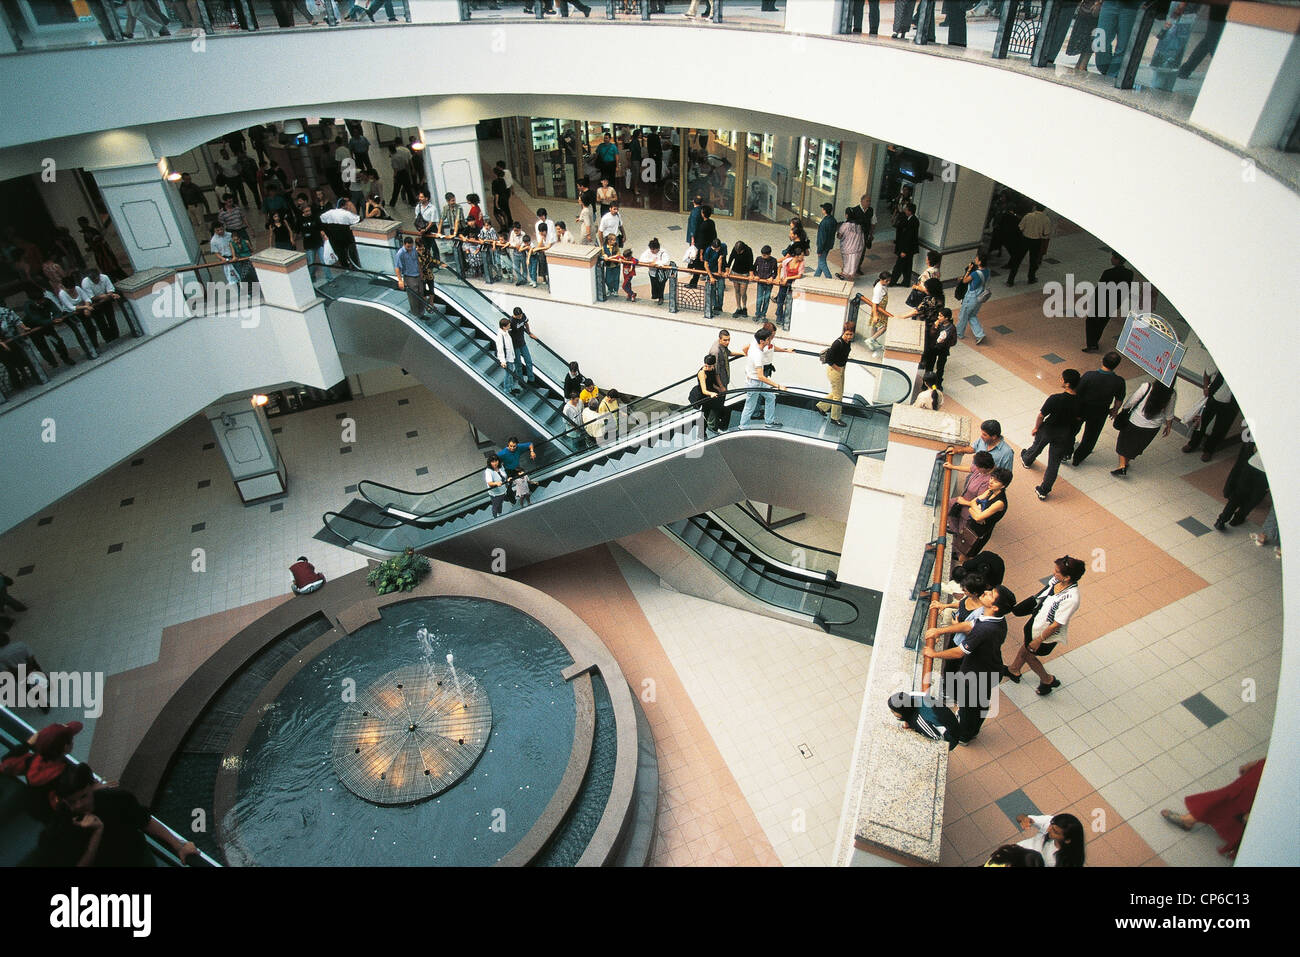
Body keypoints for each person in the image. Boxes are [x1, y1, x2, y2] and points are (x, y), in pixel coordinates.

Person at [38, 762, 198, 867]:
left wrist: (178, 845)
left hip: (136, 859)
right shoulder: (60, 826)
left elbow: (145, 821)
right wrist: (97, 833)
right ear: (64, 801)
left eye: (83, 797)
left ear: (91, 788)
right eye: (72, 802)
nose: (79, 805)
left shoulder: (116, 799)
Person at [922, 584, 1016, 744]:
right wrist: (940, 631)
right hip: (988, 669)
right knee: (976, 705)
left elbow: (959, 652)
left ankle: (964, 735)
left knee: (971, 707)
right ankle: (969, 725)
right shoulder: (993, 618)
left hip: (978, 677)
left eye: (990, 594)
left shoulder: (986, 629)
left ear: (994, 606)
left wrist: (934, 654)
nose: (985, 592)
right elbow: (969, 625)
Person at [1004, 555, 1084, 695]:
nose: (1054, 573)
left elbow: (1056, 625)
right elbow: (1043, 594)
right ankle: (1014, 669)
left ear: (1067, 578)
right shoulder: (1057, 581)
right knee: (1026, 646)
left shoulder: (1072, 599)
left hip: (1044, 635)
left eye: (1057, 572)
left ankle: (1047, 680)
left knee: (1030, 655)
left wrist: (1038, 640)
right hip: (1036, 624)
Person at [1162, 759, 1265, 859]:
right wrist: (1255, 764)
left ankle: (1190, 819)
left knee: (1234, 802)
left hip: (1269, 788)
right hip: (1264, 773)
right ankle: (1191, 819)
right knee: (1231, 796)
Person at [1020, 368, 1081, 501]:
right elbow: (1078, 420)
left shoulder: (1055, 398)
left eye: (1062, 378)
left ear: (1067, 383)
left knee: (1037, 446)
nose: (1061, 380)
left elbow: (1041, 415)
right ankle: (1043, 490)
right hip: (1064, 433)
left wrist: (1036, 427)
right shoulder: (1080, 402)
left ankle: (1027, 460)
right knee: (1054, 463)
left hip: (1048, 429)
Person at [1071, 351, 1126, 466]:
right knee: (1091, 437)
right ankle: (1078, 459)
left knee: (1072, 430)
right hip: (1100, 412)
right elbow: (1119, 399)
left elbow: (1077, 392)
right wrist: (1114, 410)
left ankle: (1066, 452)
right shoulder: (1119, 381)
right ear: (1117, 365)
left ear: (1102, 360)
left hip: (1081, 409)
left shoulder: (1089, 375)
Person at [1112, 379, 1176, 476]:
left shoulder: (1147, 386)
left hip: (1135, 421)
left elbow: (1131, 401)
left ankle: (1122, 466)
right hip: (1152, 427)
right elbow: (1169, 413)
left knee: (1123, 443)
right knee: (1136, 446)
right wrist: (1168, 426)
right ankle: (1125, 463)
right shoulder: (1171, 394)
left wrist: (1123, 410)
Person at [954, 467, 1012, 560]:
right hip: (973, 526)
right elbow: (973, 503)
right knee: (963, 548)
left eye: (996, 481)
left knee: (966, 555)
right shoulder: (990, 491)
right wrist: (977, 512)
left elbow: (977, 516)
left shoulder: (1000, 503)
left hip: (980, 533)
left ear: (1003, 486)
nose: (991, 481)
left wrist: (975, 511)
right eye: (992, 478)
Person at [1181, 366, 1238, 463]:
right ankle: (1193, 444)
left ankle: (1208, 450)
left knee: (1219, 429)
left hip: (1231, 405)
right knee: (1202, 422)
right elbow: (1207, 372)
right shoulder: (1223, 362)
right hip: (1214, 398)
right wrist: (1205, 387)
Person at [1214, 431, 1269, 531]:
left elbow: (1255, 446)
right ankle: (1238, 518)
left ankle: (1221, 520)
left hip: (1252, 463)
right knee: (1254, 498)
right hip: (1267, 473)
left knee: (1238, 494)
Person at [1083, 252, 1134, 352]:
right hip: (1113, 303)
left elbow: (1100, 289)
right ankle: (1095, 342)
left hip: (1101, 302)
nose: (1111, 259)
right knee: (1102, 323)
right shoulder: (1129, 273)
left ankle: (1091, 344)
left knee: (1091, 322)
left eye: (1113, 258)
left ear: (1117, 260)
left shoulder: (1108, 273)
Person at [740, 327, 786, 429]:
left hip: (755, 380)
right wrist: (778, 386)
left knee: (771, 397)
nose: (770, 341)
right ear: (762, 341)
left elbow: (744, 349)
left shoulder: (753, 344)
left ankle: (769, 422)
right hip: (754, 383)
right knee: (749, 406)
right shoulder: (758, 355)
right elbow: (760, 376)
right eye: (768, 339)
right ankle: (743, 427)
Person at [886, 690, 960, 751]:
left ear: (903, 712)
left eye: (894, 711)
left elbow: (936, 740)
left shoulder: (922, 721)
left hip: (951, 737)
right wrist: (907, 721)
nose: (891, 712)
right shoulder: (912, 696)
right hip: (948, 717)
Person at [815, 322, 855, 427]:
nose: (849, 337)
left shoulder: (847, 342)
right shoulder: (838, 343)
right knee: (838, 396)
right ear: (843, 332)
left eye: (851, 334)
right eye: (847, 334)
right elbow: (828, 359)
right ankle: (835, 418)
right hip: (835, 370)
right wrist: (838, 368)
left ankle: (821, 406)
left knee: (837, 393)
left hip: (841, 368)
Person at [20, 294, 74, 368]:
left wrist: (57, 318)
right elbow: (36, 319)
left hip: (47, 325)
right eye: (40, 300)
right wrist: (52, 321)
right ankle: (52, 362)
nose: (43, 301)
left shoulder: (47, 301)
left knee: (57, 341)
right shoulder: (28, 306)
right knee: (43, 347)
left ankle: (65, 358)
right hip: (33, 329)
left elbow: (56, 311)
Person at [1015, 812, 1086, 867]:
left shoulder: (1062, 862)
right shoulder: (1054, 822)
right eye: (1050, 826)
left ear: (1067, 840)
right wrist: (1024, 819)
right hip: (1014, 852)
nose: (1049, 829)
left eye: (1055, 832)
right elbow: (1020, 817)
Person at [1006, 203, 1052, 285]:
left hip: (1025, 240)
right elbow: (1046, 233)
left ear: (1035, 207)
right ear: (1044, 209)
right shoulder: (1046, 219)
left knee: (1017, 260)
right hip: (1036, 241)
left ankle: (1010, 280)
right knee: (1033, 261)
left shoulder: (1028, 216)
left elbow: (1020, 227)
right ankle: (1031, 278)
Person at [955, 250, 990, 344]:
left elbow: (965, 281)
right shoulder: (987, 271)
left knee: (963, 316)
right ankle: (980, 334)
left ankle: (958, 333)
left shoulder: (975, 273)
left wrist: (969, 269)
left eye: (976, 258)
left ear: (980, 261)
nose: (975, 259)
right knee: (972, 315)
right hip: (980, 297)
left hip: (971, 297)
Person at [321, 201, 363, 270]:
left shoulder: (329, 212)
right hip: (346, 236)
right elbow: (358, 219)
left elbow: (321, 218)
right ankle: (354, 267)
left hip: (334, 237)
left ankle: (345, 268)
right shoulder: (346, 213)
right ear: (345, 205)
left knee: (340, 253)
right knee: (351, 252)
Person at [921, 308, 956, 388]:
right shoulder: (937, 324)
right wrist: (935, 327)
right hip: (933, 348)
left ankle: (938, 384)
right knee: (929, 366)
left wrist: (945, 342)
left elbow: (954, 341)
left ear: (946, 318)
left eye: (940, 316)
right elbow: (931, 335)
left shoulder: (952, 328)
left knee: (940, 368)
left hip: (943, 350)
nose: (938, 317)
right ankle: (925, 383)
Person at [393, 235, 426, 318]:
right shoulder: (400, 253)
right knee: (413, 297)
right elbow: (397, 267)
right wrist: (400, 280)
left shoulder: (414, 250)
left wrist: (421, 273)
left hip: (417, 275)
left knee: (421, 294)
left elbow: (417, 262)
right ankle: (416, 315)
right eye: (408, 247)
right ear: (404, 244)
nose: (410, 248)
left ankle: (422, 313)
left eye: (411, 246)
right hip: (409, 277)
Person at [507, 307, 539, 386]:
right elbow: (508, 334)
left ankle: (531, 380)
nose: (520, 317)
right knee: (518, 363)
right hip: (514, 346)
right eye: (519, 316)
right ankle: (521, 381)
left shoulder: (523, 316)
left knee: (529, 361)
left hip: (522, 343)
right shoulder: (511, 322)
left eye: (521, 315)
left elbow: (526, 323)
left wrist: (529, 333)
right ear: (515, 315)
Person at [890, 202, 919, 287]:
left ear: (909, 211)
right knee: (907, 266)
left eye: (906, 209)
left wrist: (904, 251)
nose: (905, 210)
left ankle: (892, 282)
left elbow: (909, 238)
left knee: (899, 266)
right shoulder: (909, 219)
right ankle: (906, 282)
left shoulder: (913, 221)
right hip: (908, 249)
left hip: (907, 249)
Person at [774, 246, 804, 326]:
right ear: (797, 256)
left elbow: (799, 275)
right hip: (784, 282)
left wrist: (788, 278)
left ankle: (786, 318)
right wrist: (779, 277)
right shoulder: (787, 261)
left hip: (792, 284)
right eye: (802, 255)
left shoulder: (801, 263)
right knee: (780, 300)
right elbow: (779, 267)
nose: (803, 257)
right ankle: (779, 316)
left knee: (790, 301)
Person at [836, 207, 865, 281]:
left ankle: (847, 279)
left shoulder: (845, 225)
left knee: (847, 265)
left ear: (847, 215)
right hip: (857, 249)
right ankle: (847, 276)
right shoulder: (859, 226)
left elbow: (839, 236)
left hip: (847, 249)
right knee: (853, 267)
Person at [726, 240, 754, 318]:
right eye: (737, 251)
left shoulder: (748, 250)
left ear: (743, 249)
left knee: (743, 292)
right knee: (737, 290)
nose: (738, 253)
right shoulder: (735, 249)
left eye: (739, 252)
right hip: (735, 271)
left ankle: (744, 307)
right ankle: (738, 307)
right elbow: (730, 260)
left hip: (744, 273)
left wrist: (751, 274)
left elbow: (751, 263)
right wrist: (727, 271)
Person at [865, 271, 892, 349]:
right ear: (881, 279)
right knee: (886, 326)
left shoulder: (881, 285)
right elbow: (874, 303)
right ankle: (871, 339)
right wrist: (875, 315)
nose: (888, 282)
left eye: (889, 280)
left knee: (875, 325)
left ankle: (872, 342)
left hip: (880, 309)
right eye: (886, 281)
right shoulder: (879, 289)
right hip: (878, 310)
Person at [640, 239, 670, 304]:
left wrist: (656, 263)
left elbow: (666, 262)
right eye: (651, 249)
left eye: (654, 249)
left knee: (661, 286)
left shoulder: (663, 252)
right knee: (654, 285)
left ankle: (661, 297)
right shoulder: (648, 251)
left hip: (661, 274)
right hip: (652, 273)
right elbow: (642, 259)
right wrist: (651, 262)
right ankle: (656, 295)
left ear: (658, 248)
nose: (652, 251)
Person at [753, 245, 778, 320]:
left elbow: (775, 272)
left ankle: (763, 314)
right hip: (760, 282)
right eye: (762, 255)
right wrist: (756, 275)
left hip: (768, 283)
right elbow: (754, 268)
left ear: (769, 254)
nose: (763, 256)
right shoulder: (758, 259)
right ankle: (757, 314)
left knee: (766, 300)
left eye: (765, 255)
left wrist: (772, 277)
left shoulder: (774, 260)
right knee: (759, 299)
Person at [813, 203, 837, 279]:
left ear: (824, 210)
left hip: (823, 246)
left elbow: (822, 238)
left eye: (822, 208)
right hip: (829, 245)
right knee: (821, 262)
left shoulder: (824, 222)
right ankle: (815, 278)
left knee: (822, 262)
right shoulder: (833, 220)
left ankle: (829, 278)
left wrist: (819, 250)